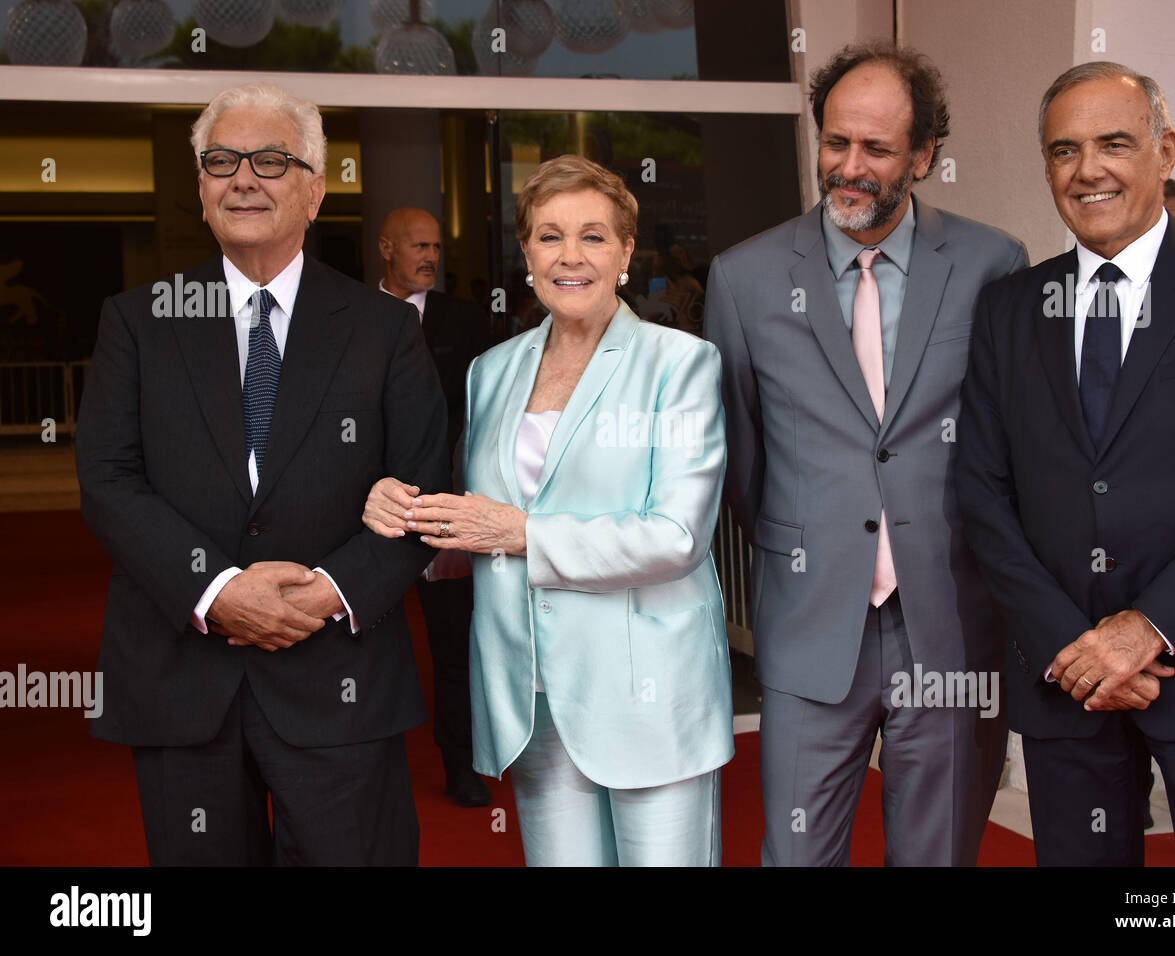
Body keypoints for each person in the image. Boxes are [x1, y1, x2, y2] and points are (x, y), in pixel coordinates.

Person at [75, 83, 449, 866]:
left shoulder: (384, 331)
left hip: (338, 678)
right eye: (222, 161)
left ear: (314, 190)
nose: (244, 179)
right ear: (202, 189)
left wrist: (327, 592)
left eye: (271, 160)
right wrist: (218, 592)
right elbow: (109, 481)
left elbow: (423, 485)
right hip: (183, 681)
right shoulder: (137, 320)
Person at [955, 61, 1175, 866]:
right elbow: (981, 492)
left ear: (1164, 148)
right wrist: (1072, 646)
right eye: (1065, 151)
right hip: (1067, 679)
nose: (1089, 170)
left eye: (1114, 143)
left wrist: (1146, 629)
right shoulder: (1010, 307)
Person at [704, 41, 1027, 867]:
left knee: (939, 854)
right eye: (836, 142)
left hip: (952, 622)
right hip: (811, 624)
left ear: (923, 157)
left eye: (877, 149)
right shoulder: (745, 278)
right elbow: (741, 460)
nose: (850, 166)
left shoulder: (993, 265)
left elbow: (1013, 445)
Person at [363, 154, 733, 866]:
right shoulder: (492, 370)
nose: (571, 256)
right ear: (526, 252)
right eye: (550, 235)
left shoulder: (680, 363)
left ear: (626, 251)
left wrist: (523, 533)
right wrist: (400, 511)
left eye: (593, 236)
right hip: (531, 696)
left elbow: (676, 535)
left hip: (644, 692)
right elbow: (478, 526)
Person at [378, 206, 494, 808]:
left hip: (445, 510)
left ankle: (461, 765)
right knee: (364, 641)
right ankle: (363, 769)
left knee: (454, 645)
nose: (429, 256)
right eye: (417, 246)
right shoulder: (349, 318)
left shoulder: (466, 322)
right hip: (364, 516)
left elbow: (484, 416)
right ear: (386, 250)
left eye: (435, 248)